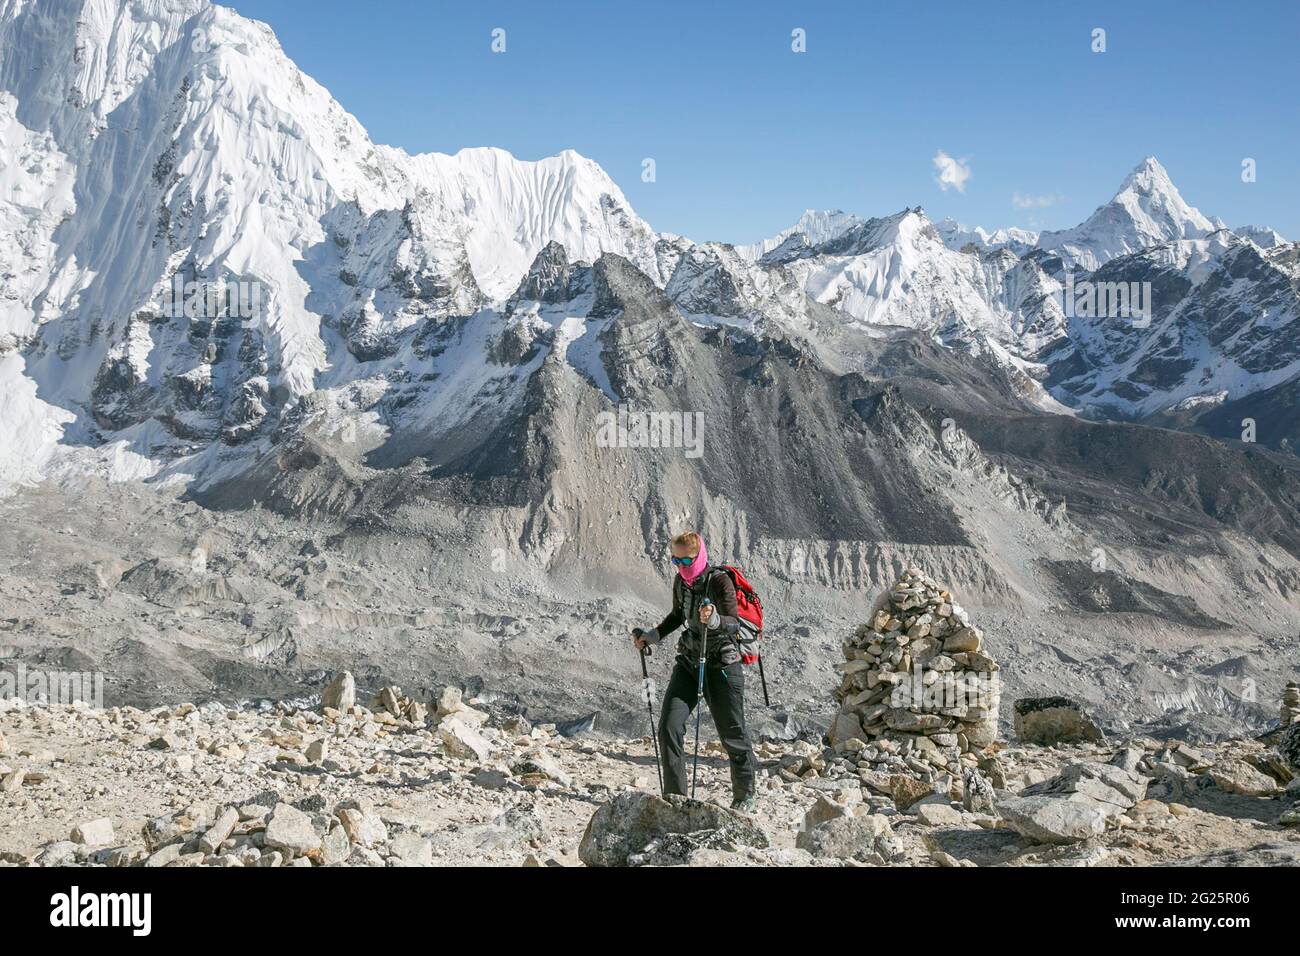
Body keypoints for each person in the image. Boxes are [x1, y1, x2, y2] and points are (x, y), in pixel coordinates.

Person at [633, 530, 757, 811]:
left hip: (722, 665)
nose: (681, 568)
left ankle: (745, 794)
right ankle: (676, 799)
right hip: (689, 661)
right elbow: (678, 616)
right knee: (669, 726)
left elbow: (733, 623)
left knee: (732, 733)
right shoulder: (681, 582)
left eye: (686, 562)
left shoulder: (720, 582)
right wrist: (651, 636)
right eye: (676, 562)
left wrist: (714, 620)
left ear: (699, 557)